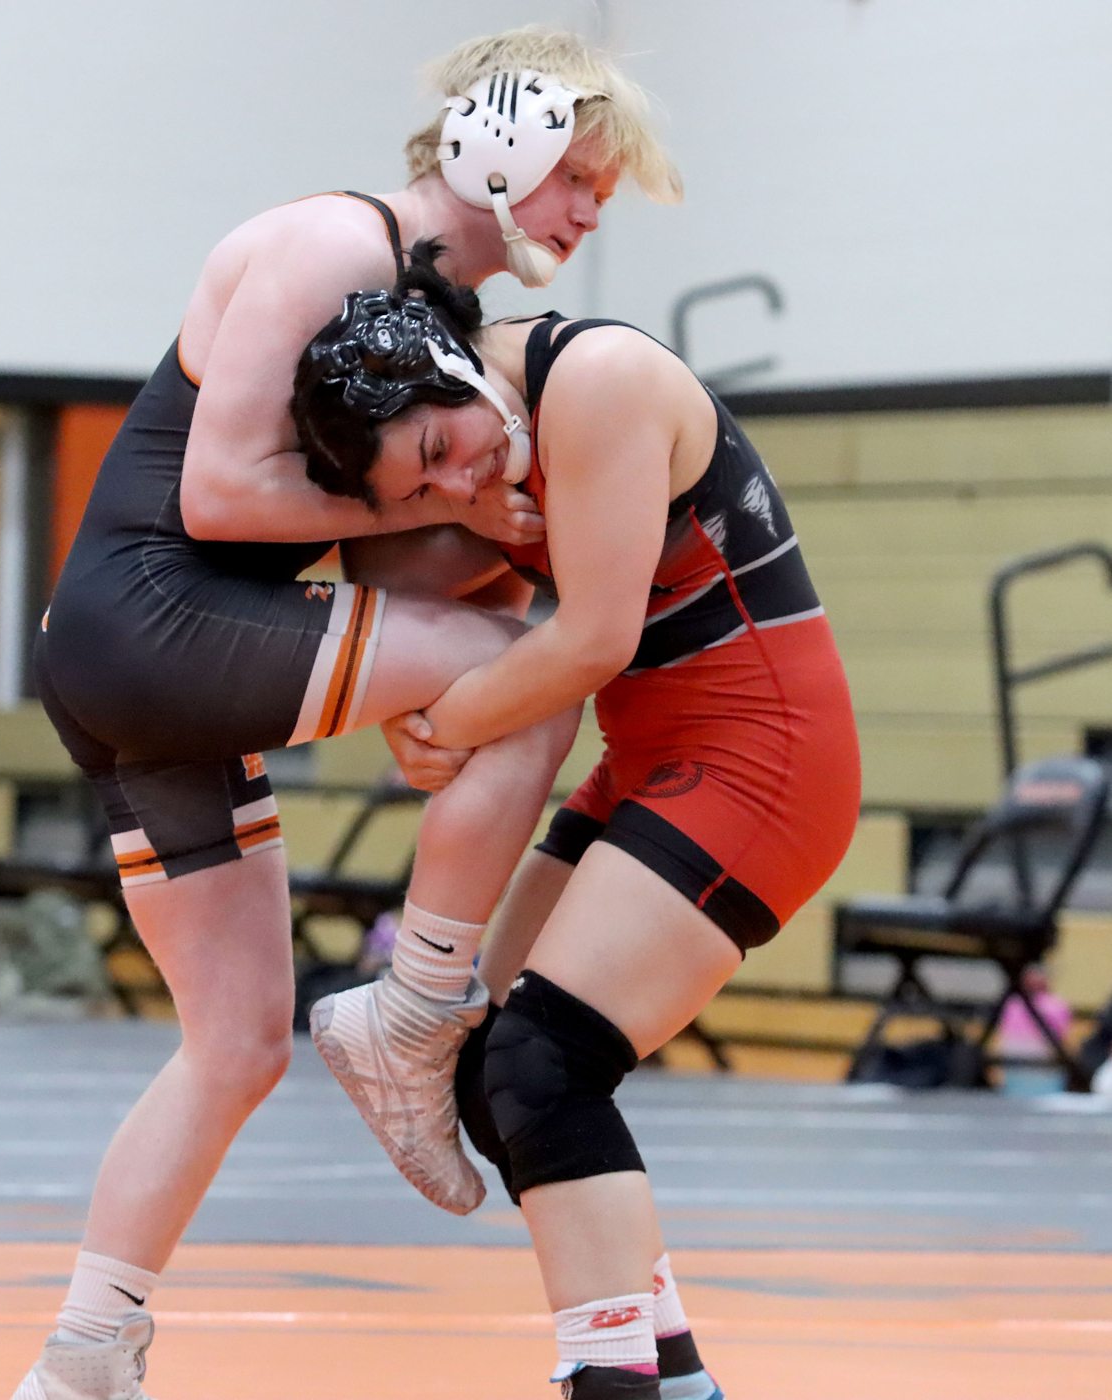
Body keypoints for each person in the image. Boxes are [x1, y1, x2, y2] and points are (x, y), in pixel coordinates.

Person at [9, 26, 688, 1400]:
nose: (589, 208)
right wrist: (452, 517)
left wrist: (458, 561)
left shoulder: (430, 317)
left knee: (239, 1041)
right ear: (507, 146)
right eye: (580, 175)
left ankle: (84, 1352)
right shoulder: (335, 247)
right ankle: (422, 1001)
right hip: (152, 616)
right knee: (530, 670)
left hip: (155, 664)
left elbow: (387, 558)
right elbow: (217, 496)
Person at [293, 254, 862, 1400]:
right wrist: (449, 527)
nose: (462, 475)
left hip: (763, 757)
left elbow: (591, 639)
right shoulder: (483, 444)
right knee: (488, 1078)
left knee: (546, 1064)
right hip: (653, 757)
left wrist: (434, 719)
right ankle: (675, 1378)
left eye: (449, 443)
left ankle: (612, 1384)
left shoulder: (594, 380)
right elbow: (389, 567)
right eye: (428, 480)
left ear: (457, 364)